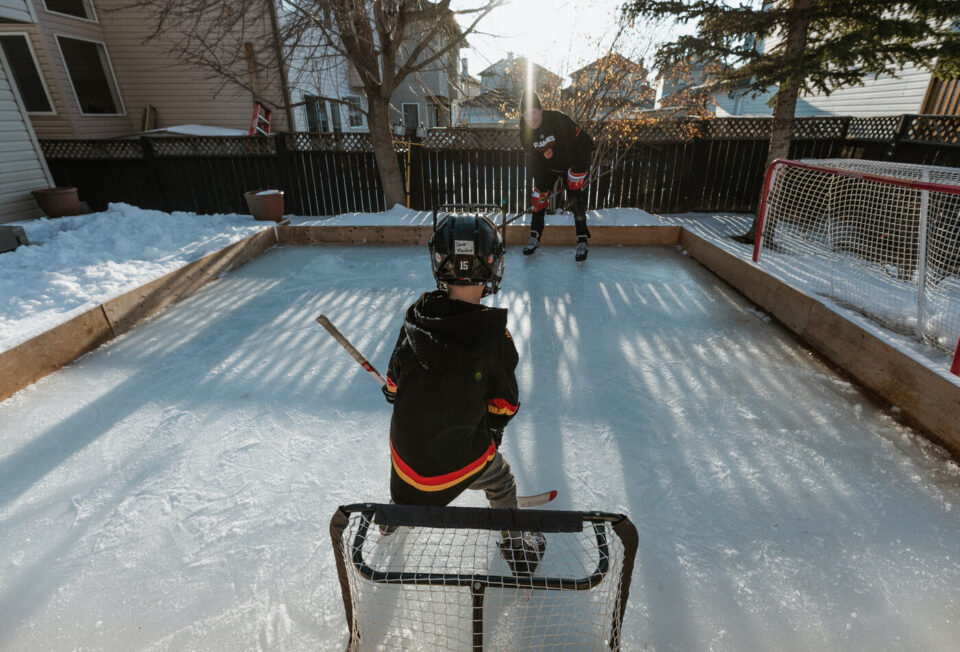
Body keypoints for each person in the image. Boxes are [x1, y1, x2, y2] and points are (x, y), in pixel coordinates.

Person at [381, 212, 545, 575]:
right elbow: (504, 406)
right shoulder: (496, 340)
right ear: (493, 265)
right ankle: (516, 546)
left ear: (438, 262)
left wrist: (394, 392)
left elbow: (393, 386)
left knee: (411, 437)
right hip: (456, 467)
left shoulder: (414, 320)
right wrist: (490, 431)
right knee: (501, 481)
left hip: (406, 467)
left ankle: (394, 514)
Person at [518, 90, 594, 261]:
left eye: (534, 112)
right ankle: (534, 237)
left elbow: (586, 142)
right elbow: (534, 160)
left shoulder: (559, 120)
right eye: (526, 114)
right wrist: (539, 186)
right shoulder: (524, 132)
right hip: (548, 169)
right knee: (538, 200)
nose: (532, 118)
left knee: (576, 201)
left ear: (541, 110)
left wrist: (579, 170)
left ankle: (582, 239)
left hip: (570, 166)